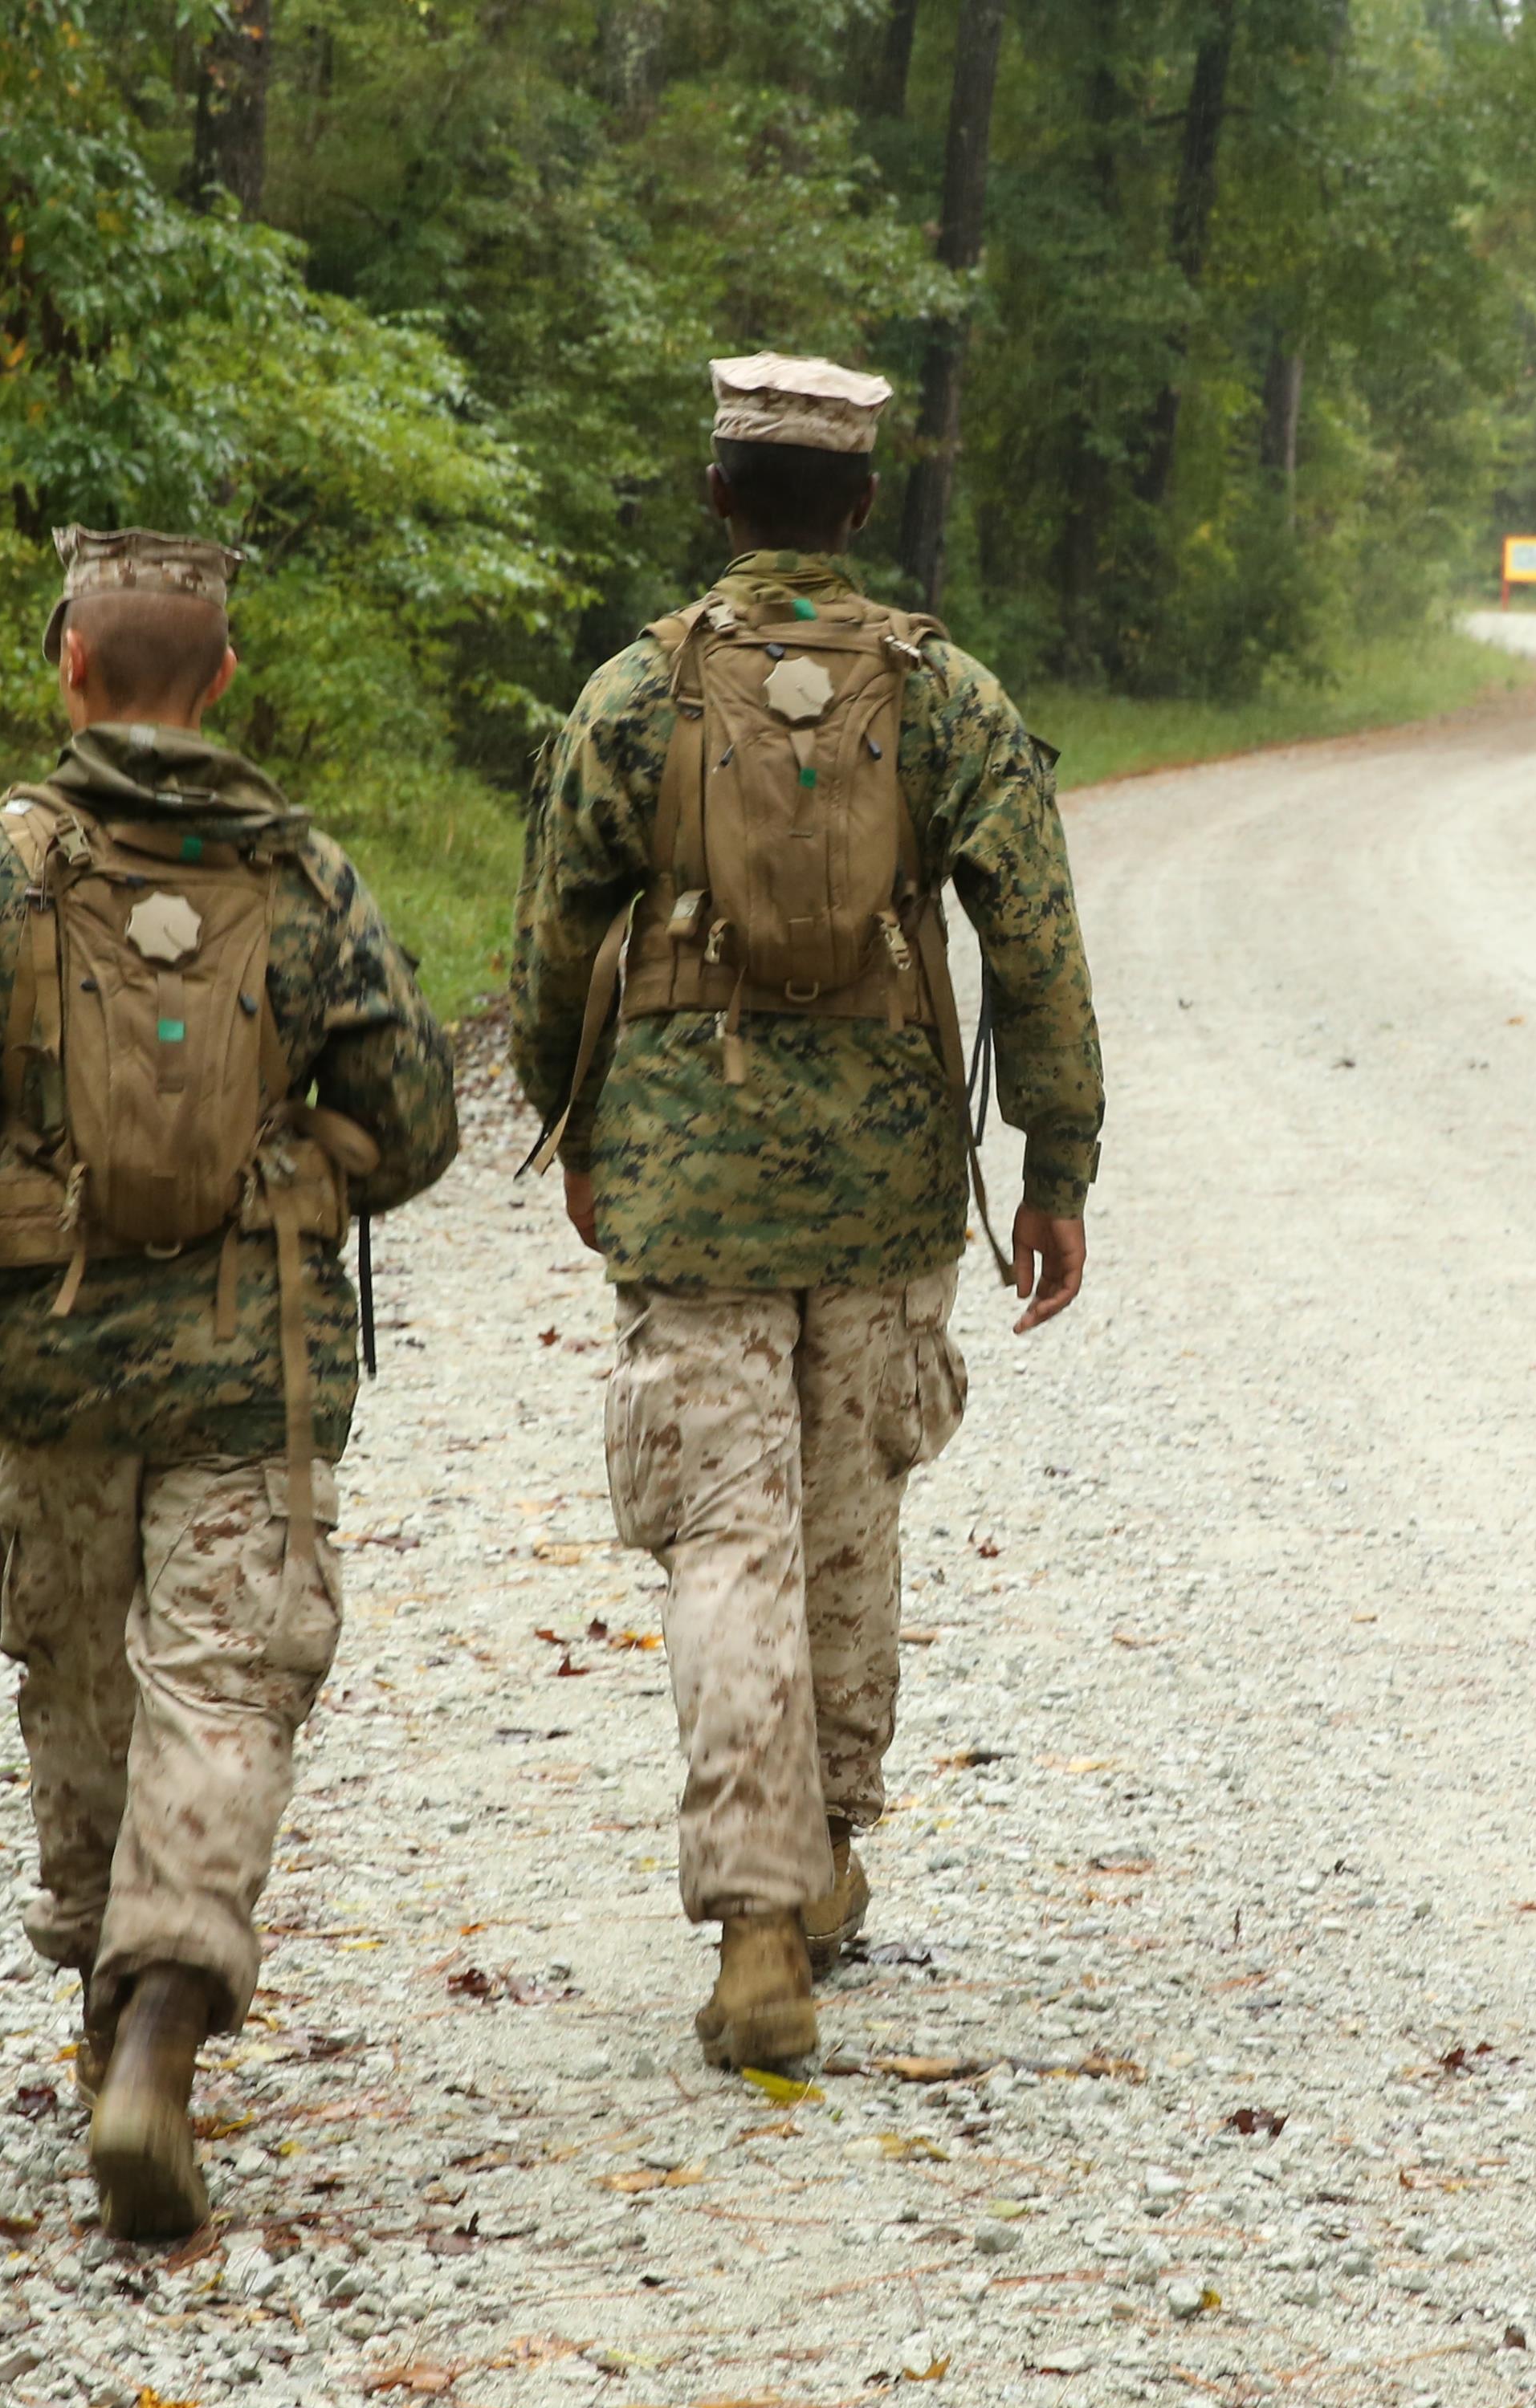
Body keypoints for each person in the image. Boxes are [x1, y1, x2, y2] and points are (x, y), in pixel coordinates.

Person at [0, 528, 458, 2240]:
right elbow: (420, 1117)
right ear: (223, 678)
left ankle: (109, 2001)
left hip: (48, 1357)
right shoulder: (302, 876)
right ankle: (166, 2018)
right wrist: (303, 1159)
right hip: (257, 1353)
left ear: (73, 668)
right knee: (228, 1683)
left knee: (82, 1678)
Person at [511, 353, 1102, 2074]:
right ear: (857, 508)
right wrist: (1054, 1163)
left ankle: (759, 1923)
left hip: (691, 1163)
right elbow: (1035, 939)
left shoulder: (638, 691)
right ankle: (830, 1846)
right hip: (888, 1171)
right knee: (846, 1521)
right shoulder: (943, 694)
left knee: (727, 1540)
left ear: (716, 498)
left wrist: (574, 1118)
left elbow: (558, 932)